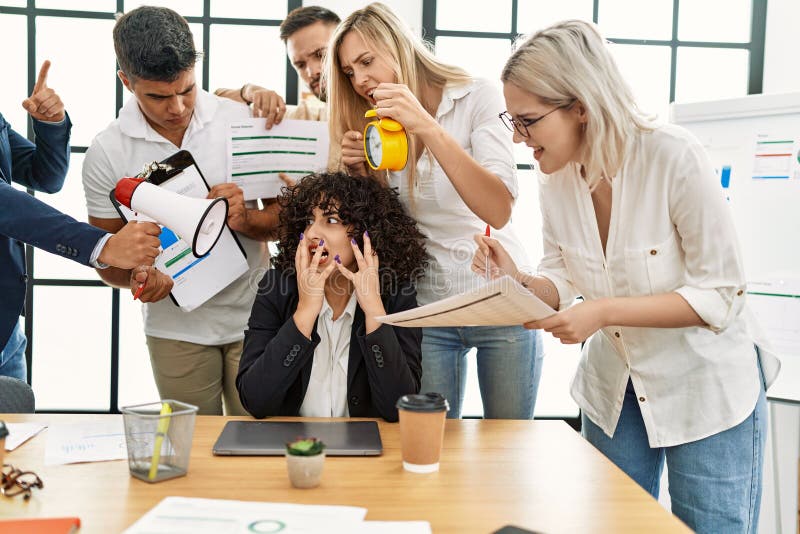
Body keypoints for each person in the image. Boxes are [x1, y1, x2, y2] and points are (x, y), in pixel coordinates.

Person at [473, 20, 780, 533]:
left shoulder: (672, 156)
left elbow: (721, 294)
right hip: (616, 387)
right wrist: (522, 282)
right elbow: (562, 275)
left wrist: (602, 311)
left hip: (704, 390)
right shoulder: (556, 177)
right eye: (512, 119)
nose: (516, 137)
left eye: (527, 121)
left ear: (581, 107)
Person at [327, 3, 543, 419]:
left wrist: (425, 124)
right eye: (350, 72)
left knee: (513, 444)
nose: (360, 80)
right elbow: (389, 230)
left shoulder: (477, 95)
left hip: (499, 295)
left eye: (367, 61)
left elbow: (498, 210)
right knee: (434, 443)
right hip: (428, 307)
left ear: (399, 45)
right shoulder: (378, 125)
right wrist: (361, 174)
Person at [82, 6, 278, 415]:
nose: (177, 106)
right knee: (192, 456)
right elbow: (104, 259)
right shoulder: (106, 152)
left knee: (259, 451)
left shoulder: (239, 118)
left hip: (258, 318)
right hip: (175, 331)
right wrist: (136, 279)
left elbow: (285, 221)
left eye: (187, 89)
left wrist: (247, 219)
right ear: (126, 81)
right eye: (158, 95)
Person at [1, 60, 161, 382]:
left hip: (6, 330)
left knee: (20, 431)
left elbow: (44, 175)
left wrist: (52, 124)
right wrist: (102, 245)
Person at [237, 172, 426, 422]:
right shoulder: (277, 287)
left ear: (367, 233)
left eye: (332, 220)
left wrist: (374, 313)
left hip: (364, 448)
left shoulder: (396, 294)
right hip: (295, 448)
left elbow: (398, 408)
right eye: (308, 220)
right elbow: (255, 401)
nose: (313, 233)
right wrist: (305, 312)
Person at [214, 5, 341, 170]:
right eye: (300, 65)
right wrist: (250, 91)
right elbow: (213, 101)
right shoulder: (307, 118)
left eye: (320, 55)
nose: (311, 72)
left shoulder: (379, 112)